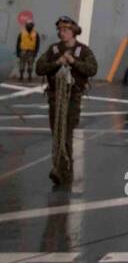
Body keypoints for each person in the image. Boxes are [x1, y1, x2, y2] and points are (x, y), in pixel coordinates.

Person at [35, 15, 98, 186]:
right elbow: (39, 68)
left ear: (73, 32)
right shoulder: (53, 50)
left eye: (65, 30)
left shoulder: (83, 51)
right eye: (60, 30)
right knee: (57, 134)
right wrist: (57, 62)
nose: (62, 33)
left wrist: (73, 61)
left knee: (66, 134)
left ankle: (64, 171)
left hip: (72, 98)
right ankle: (59, 168)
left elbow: (92, 69)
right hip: (55, 97)